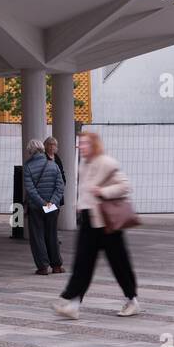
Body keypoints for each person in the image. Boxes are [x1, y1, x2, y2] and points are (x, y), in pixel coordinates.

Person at [53, 131, 140, 320]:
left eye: (84, 143)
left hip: (107, 223)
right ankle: (73, 302)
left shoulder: (107, 162)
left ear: (94, 145)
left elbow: (125, 186)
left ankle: (132, 300)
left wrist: (103, 191)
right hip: (89, 221)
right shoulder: (84, 164)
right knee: (82, 264)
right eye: (80, 143)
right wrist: (80, 206)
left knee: (119, 263)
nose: (81, 147)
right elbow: (84, 191)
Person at [23, 136, 66, 274]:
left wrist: (42, 204)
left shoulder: (28, 167)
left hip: (36, 207)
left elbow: (30, 190)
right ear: (42, 149)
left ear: (30, 151)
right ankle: (56, 265)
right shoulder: (53, 165)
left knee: (37, 236)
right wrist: (51, 203)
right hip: (52, 207)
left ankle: (42, 266)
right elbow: (60, 186)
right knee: (52, 234)